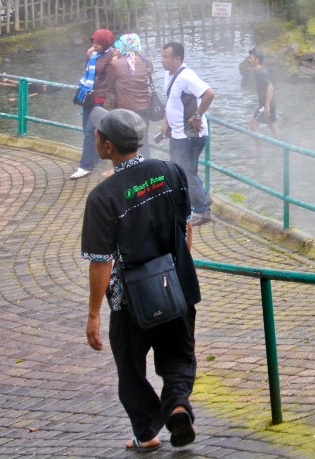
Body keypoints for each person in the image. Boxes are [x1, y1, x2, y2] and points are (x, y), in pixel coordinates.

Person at [80, 106, 200, 451]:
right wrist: (181, 269)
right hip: (176, 287)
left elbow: (101, 263)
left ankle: (146, 433)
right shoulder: (171, 171)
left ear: (106, 147)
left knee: (131, 369)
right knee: (178, 356)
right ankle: (178, 405)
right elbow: (186, 223)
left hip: (130, 300)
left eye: (98, 134)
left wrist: (92, 314)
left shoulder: (103, 197)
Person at [160, 42, 215, 227]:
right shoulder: (168, 74)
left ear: (178, 58)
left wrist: (197, 116)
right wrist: (166, 121)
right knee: (183, 169)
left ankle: (202, 211)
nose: (163, 60)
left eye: (166, 57)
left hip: (190, 134)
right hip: (177, 132)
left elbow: (209, 93)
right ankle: (203, 197)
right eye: (162, 56)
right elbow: (172, 100)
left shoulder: (187, 76)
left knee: (185, 171)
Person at [100, 34, 157, 159]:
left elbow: (108, 84)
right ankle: (145, 168)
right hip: (145, 108)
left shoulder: (116, 64)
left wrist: (115, 58)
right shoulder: (146, 61)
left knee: (125, 142)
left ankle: (129, 169)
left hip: (126, 110)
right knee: (143, 140)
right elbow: (149, 72)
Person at [71, 29, 116, 180]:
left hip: (101, 98)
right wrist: (89, 55)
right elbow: (87, 71)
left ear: (106, 43)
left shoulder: (112, 56)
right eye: (94, 42)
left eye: (98, 43)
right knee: (86, 130)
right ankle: (95, 158)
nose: (95, 46)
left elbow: (110, 77)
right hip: (88, 96)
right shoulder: (92, 54)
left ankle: (85, 166)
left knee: (91, 131)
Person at [246, 48, 279, 137]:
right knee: (271, 124)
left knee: (254, 124)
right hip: (269, 103)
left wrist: (266, 105)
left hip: (266, 104)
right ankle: (279, 147)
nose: (248, 60)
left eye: (250, 58)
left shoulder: (261, 73)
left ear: (257, 60)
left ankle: (258, 149)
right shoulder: (258, 71)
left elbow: (270, 87)